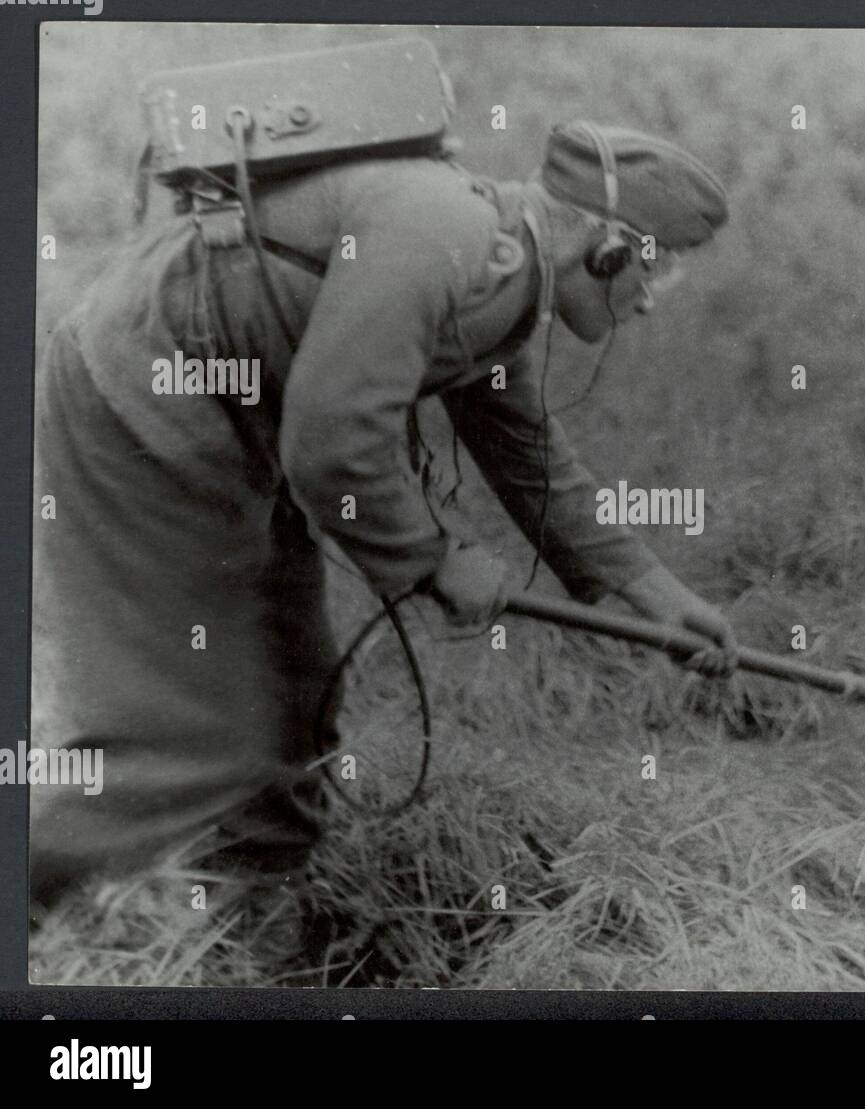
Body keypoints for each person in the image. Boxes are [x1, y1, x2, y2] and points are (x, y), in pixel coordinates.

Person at [30, 119, 740, 919]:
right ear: (609, 245)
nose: (651, 297)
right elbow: (332, 441)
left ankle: (251, 925)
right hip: (136, 406)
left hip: (225, 421)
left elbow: (523, 445)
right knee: (196, 739)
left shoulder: (504, 262)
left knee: (297, 690)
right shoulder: (447, 239)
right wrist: (434, 557)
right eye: (659, 266)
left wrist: (652, 589)